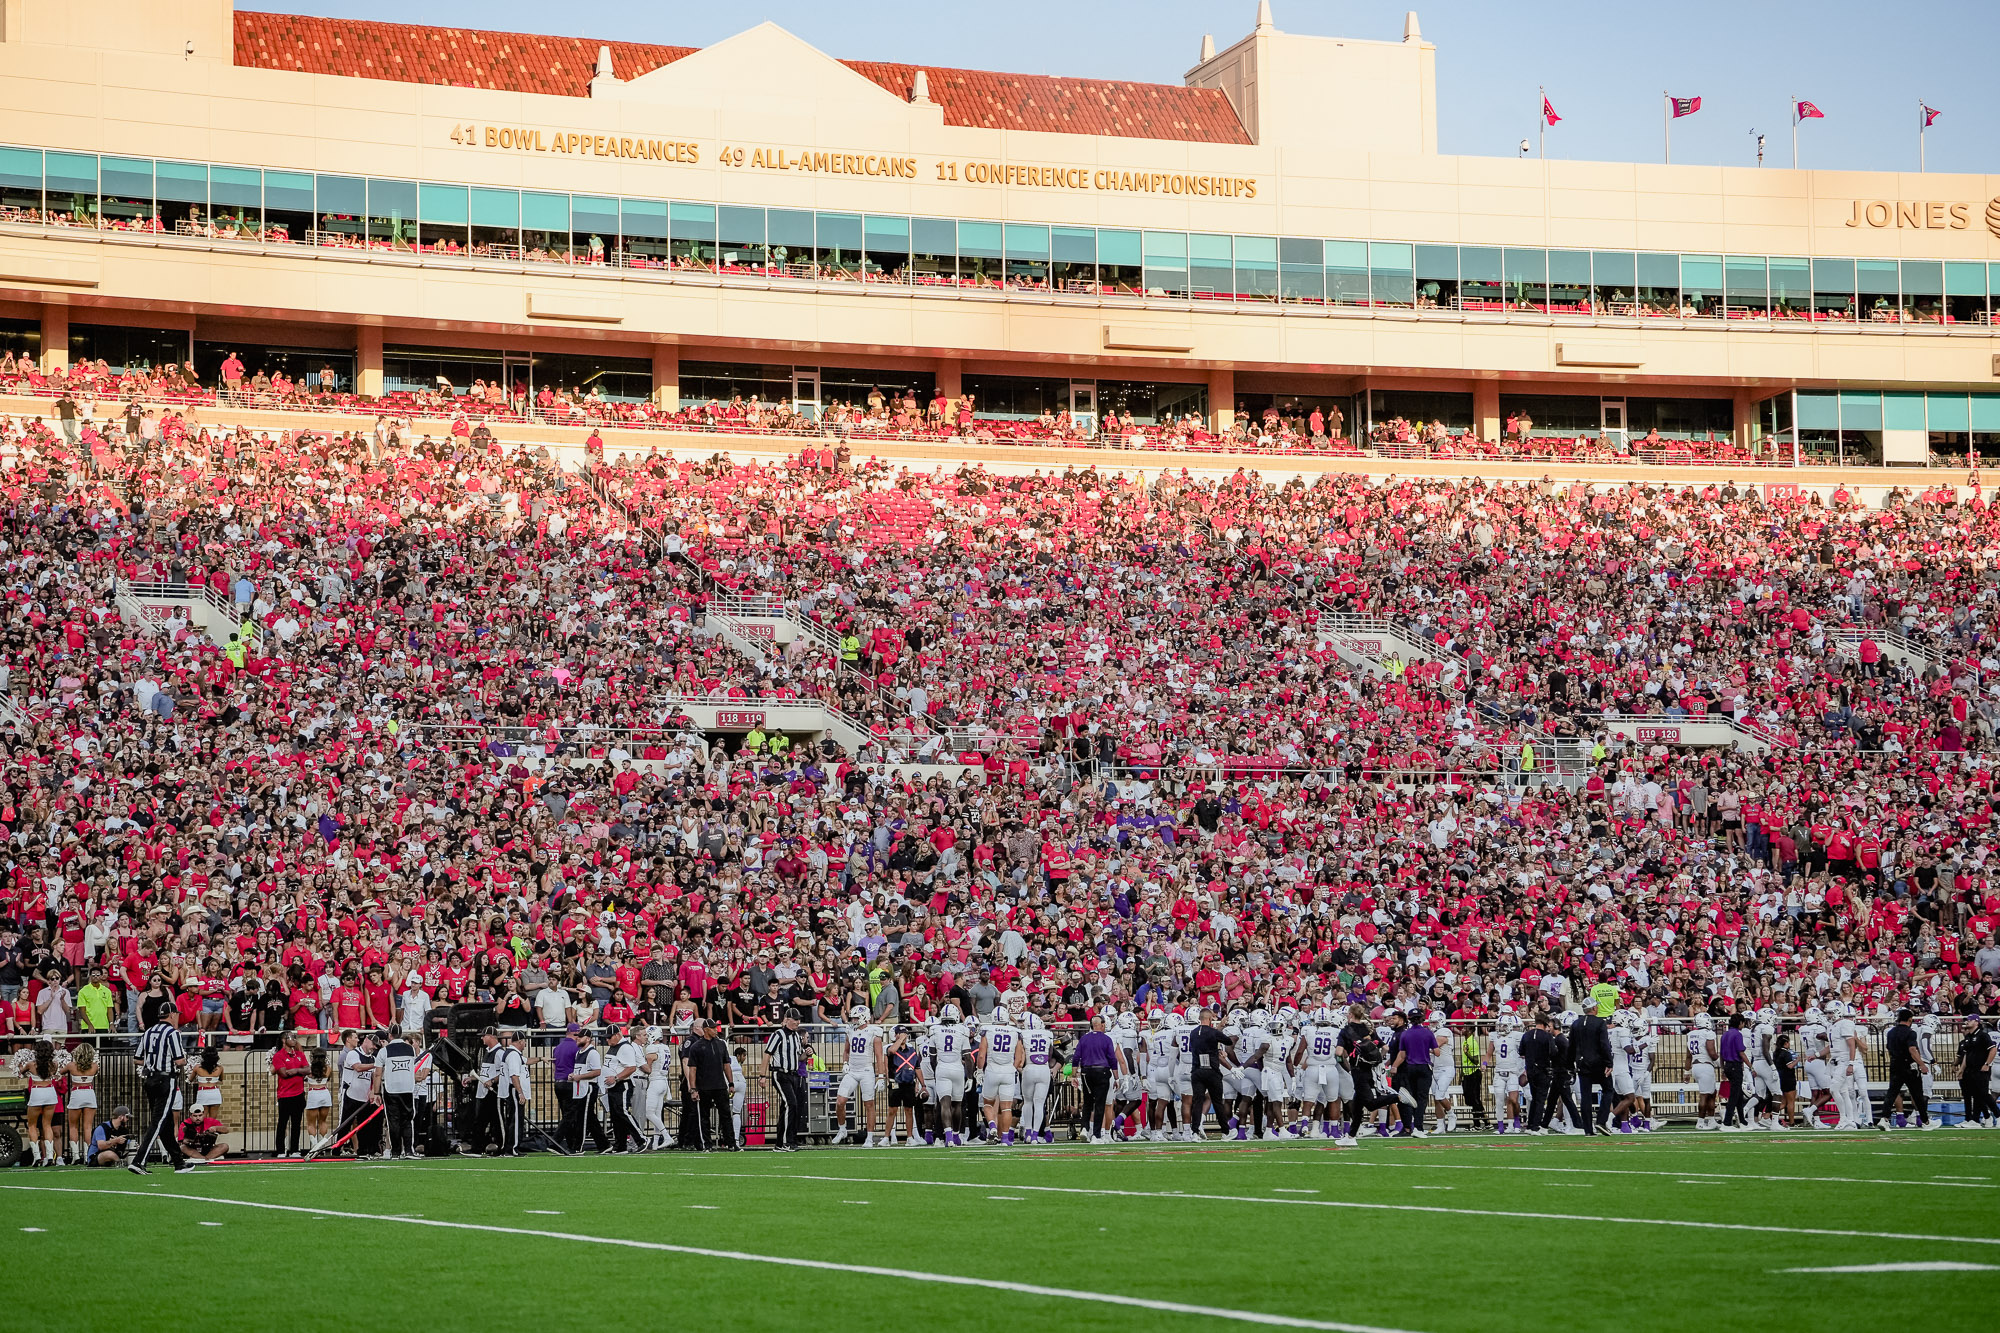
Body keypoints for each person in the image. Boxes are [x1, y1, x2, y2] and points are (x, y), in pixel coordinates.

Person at [131, 1012, 194, 1173]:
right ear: (172, 1015)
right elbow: (180, 1060)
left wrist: (153, 1061)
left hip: (149, 1079)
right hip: (165, 1079)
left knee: (165, 1123)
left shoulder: (148, 1032)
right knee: (159, 1121)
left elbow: (137, 1059)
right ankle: (139, 1161)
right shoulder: (172, 1033)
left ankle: (178, 1162)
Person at [833, 1003, 886, 1146]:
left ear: (863, 1018)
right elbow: (846, 1050)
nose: (853, 1021)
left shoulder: (873, 1032)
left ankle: (869, 1137)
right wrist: (845, 1063)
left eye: (856, 1018)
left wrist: (881, 1076)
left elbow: (879, 1056)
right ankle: (842, 1129)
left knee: (869, 1104)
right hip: (852, 1071)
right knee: (840, 1101)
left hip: (867, 1071)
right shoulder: (850, 1031)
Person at [682, 1017, 736, 1150]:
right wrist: (693, 1088)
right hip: (703, 1086)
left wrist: (731, 1083)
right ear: (706, 1030)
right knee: (703, 1117)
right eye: (713, 1028)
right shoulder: (696, 1046)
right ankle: (706, 1144)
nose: (715, 1030)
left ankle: (731, 1143)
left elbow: (726, 1065)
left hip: (720, 1085)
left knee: (726, 1116)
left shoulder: (721, 1044)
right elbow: (692, 1069)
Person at [978, 1002, 1027, 1144]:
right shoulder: (1015, 1032)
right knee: (1006, 1108)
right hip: (1008, 1071)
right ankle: (1005, 1137)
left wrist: (979, 1070)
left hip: (992, 1070)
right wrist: (1012, 1068)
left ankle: (992, 1126)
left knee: (987, 1104)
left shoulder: (988, 1030)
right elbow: (1019, 1058)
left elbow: (982, 1055)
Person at [1876, 1008, 1931, 1132]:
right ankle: (1925, 1121)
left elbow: (1889, 1049)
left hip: (1895, 1064)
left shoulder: (1890, 1032)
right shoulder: (1910, 1033)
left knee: (1892, 1093)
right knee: (1917, 1094)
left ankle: (1884, 1119)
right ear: (1910, 1020)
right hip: (1909, 1066)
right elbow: (1912, 1050)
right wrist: (1921, 1064)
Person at [765, 1013, 808, 1151]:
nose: (798, 1021)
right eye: (795, 1019)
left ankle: (779, 1143)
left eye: (799, 1019)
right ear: (787, 1020)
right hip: (780, 1073)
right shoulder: (778, 1034)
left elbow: (799, 1057)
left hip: (793, 1074)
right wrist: (762, 1075)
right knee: (791, 1104)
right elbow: (767, 1054)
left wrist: (807, 1053)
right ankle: (787, 1141)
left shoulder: (796, 1036)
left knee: (787, 1108)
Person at [1074, 1011, 1118, 1142]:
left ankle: (1085, 1128)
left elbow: (1076, 1057)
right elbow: (1112, 1059)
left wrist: (1073, 1075)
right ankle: (1096, 1134)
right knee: (1099, 1104)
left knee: (1087, 1102)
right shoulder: (1106, 1039)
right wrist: (1117, 1077)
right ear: (1102, 1025)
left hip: (1086, 1072)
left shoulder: (1084, 1038)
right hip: (1102, 1071)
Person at [378, 1023, 420, 1158]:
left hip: (391, 1088)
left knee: (393, 1121)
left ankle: (395, 1151)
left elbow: (377, 1073)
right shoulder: (410, 1050)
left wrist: (376, 1092)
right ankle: (408, 1150)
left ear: (390, 1035)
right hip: (407, 1088)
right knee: (407, 1120)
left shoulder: (384, 1051)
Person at [336, 1031, 381, 1156]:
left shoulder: (373, 1058)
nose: (374, 1047)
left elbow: (375, 1077)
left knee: (364, 1126)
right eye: (373, 1044)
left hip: (364, 1097)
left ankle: (363, 1150)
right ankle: (337, 1149)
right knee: (345, 1123)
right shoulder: (353, 1054)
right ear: (366, 1040)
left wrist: (373, 1092)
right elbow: (358, 1067)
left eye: (376, 1046)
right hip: (350, 1094)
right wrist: (376, 1065)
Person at [272, 1031, 308, 1157]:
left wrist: (297, 1070)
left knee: (296, 1124)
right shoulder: (278, 1056)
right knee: (282, 1123)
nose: (294, 1039)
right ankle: (281, 1150)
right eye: (291, 1037)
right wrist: (300, 1071)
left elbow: (308, 1069)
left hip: (299, 1094)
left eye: (294, 1037)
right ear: (283, 1040)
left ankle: (294, 1149)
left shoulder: (299, 1055)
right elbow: (283, 1073)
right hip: (285, 1095)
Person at [1520, 1012, 1556, 1134]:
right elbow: (1553, 1053)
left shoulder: (1527, 1035)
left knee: (1535, 1097)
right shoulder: (1547, 1037)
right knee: (1540, 1098)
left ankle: (1530, 1125)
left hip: (1530, 1070)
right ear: (1545, 1024)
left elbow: (1521, 1052)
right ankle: (1536, 1126)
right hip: (1543, 1069)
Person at [64, 1041, 98, 1165]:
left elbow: (59, 1072)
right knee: (87, 1127)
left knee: (73, 1126)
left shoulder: (71, 1066)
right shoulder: (94, 1066)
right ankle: (87, 1155)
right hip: (89, 1093)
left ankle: (76, 1155)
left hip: (77, 1093)